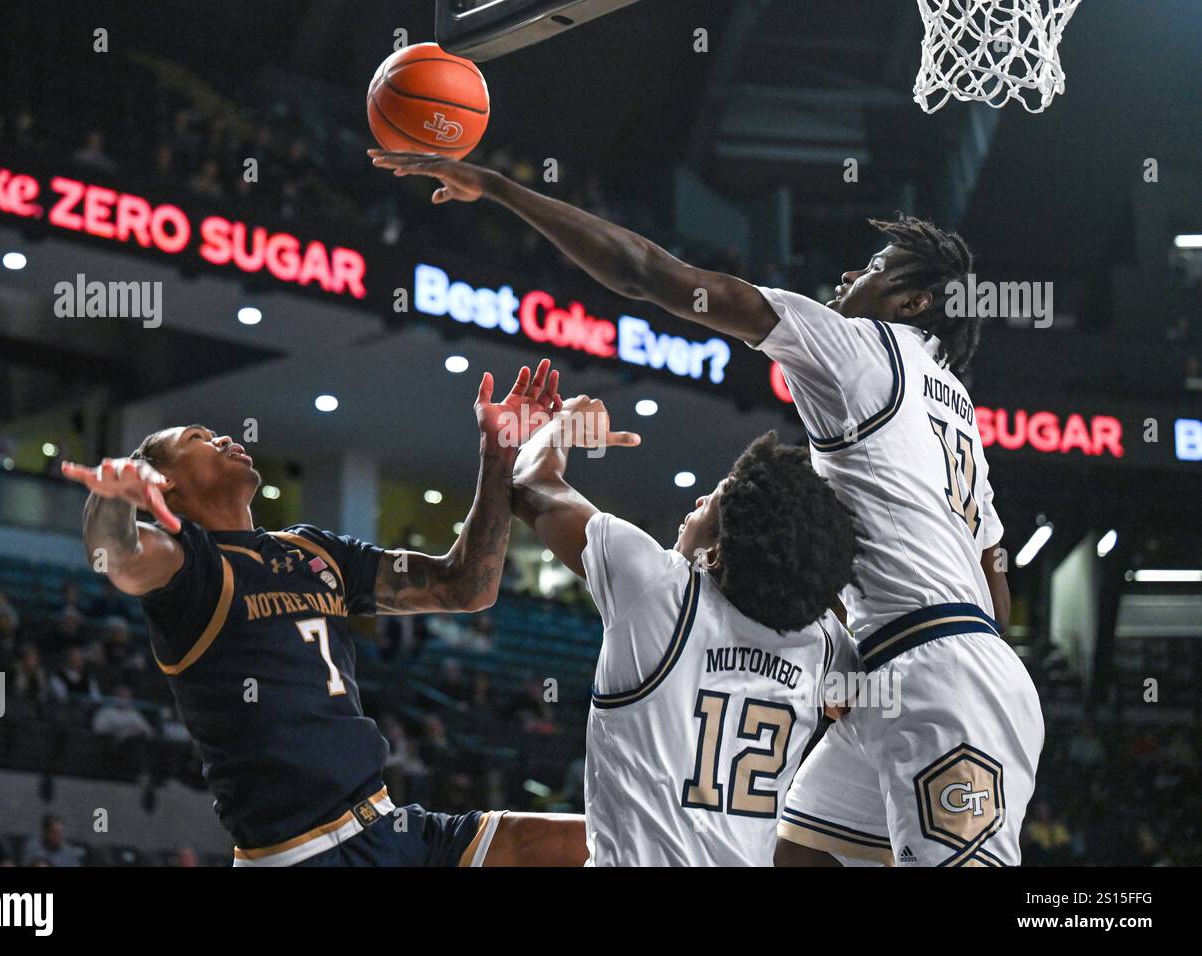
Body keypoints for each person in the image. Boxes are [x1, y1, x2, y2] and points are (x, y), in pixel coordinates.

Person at [373, 151, 1042, 868]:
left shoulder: (860, 350)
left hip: (933, 674)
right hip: (930, 667)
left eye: (876, 267)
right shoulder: (957, 408)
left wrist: (502, 189)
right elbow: (993, 583)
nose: (852, 276)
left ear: (913, 304)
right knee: (797, 853)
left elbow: (652, 277)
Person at [61, 362, 587, 867]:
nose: (222, 438)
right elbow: (117, 557)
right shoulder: (190, 568)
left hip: (391, 829)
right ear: (165, 482)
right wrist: (110, 498)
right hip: (298, 854)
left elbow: (465, 586)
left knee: (595, 843)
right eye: (198, 438)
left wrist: (498, 453)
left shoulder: (313, 551)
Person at [510, 395, 859, 865]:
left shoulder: (656, 588)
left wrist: (561, 429)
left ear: (714, 554)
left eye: (709, 503)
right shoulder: (824, 646)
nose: (695, 503)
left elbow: (530, 482)